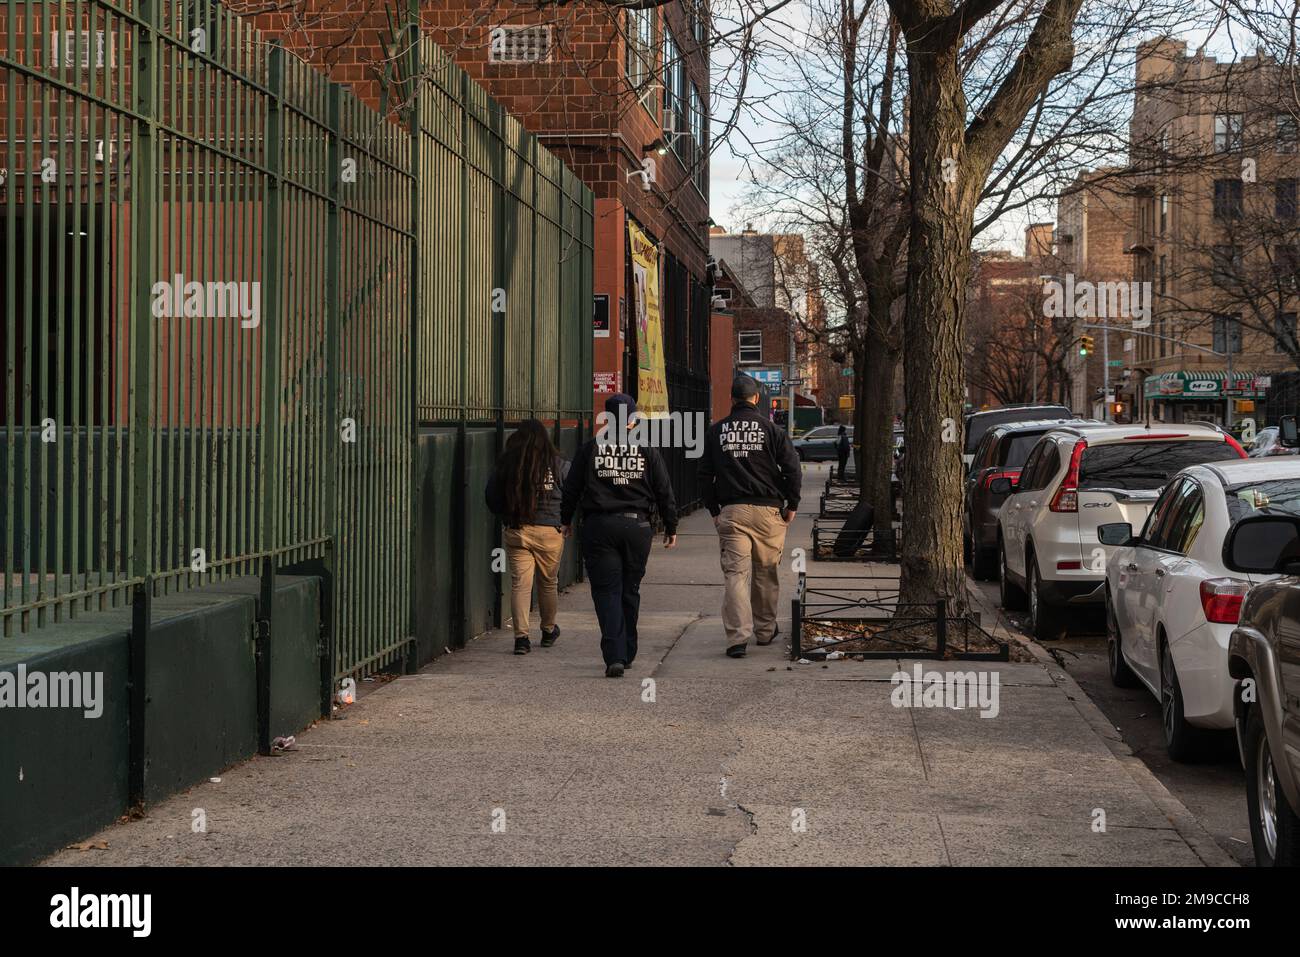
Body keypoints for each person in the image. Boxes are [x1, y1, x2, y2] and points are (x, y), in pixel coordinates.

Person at [561, 394, 677, 677]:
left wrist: (565, 520)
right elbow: (664, 490)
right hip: (637, 527)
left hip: (600, 526)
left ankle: (615, 654)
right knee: (630, 589)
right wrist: (671, 527)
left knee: (605, 591)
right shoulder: (647, 450)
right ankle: (629, 650)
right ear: (632, 420)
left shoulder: (590, 449)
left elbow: (572, 488)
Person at [699, 375, 802, 658]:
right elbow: (792, 469)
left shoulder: (716, 431)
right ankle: (766, 630)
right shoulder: (772, 430)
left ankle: (737, 638)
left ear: (732, 399)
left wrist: (714, 510)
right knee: (766, 573)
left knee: (735, 575)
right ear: (756, 399)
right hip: (768, 509)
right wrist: (791, 505)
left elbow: (705, 474)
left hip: (732, 510)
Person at [485, 420, 570, 656]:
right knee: (548, 582)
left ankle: (521, 638)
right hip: (550, 531)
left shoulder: (507, 464)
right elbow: (573, 492)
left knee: (520, 584)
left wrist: (505, 516)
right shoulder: (559, 464)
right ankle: (548, 630)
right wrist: (567, 520)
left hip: (518, 530)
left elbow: (491, 495)